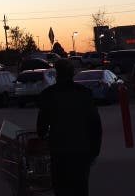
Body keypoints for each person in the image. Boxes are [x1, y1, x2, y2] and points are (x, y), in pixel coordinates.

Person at [37, 58, 102, 196]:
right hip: (81, 151)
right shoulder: (84, 94)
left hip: (59, 152)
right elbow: (95, 125)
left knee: (61, 188)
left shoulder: (48, 95)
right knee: (81, 188)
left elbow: (41, 127)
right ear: (72, 74)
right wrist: (94, 151)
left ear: (57, 74)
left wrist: (44, 136)